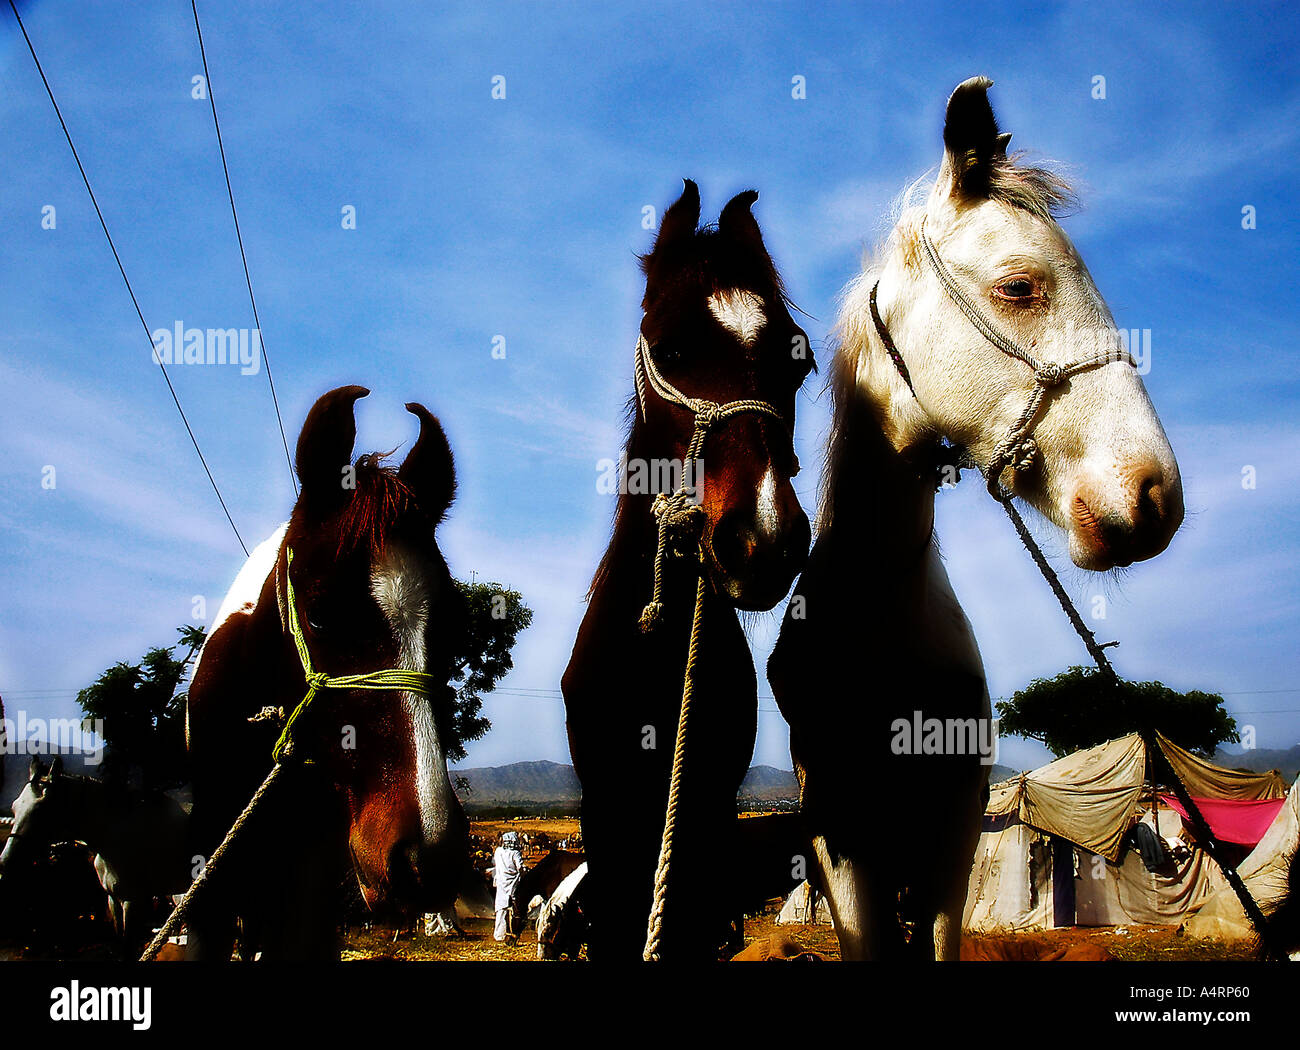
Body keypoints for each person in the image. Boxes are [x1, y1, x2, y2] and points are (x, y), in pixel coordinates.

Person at [492, 831, 526, 942]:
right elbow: (520, 867)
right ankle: (513, 931)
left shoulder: (498, 851)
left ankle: (499, 934)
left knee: (501, 908)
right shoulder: (515, 853)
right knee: (515, 908)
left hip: (501, 883)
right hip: (513, 883)